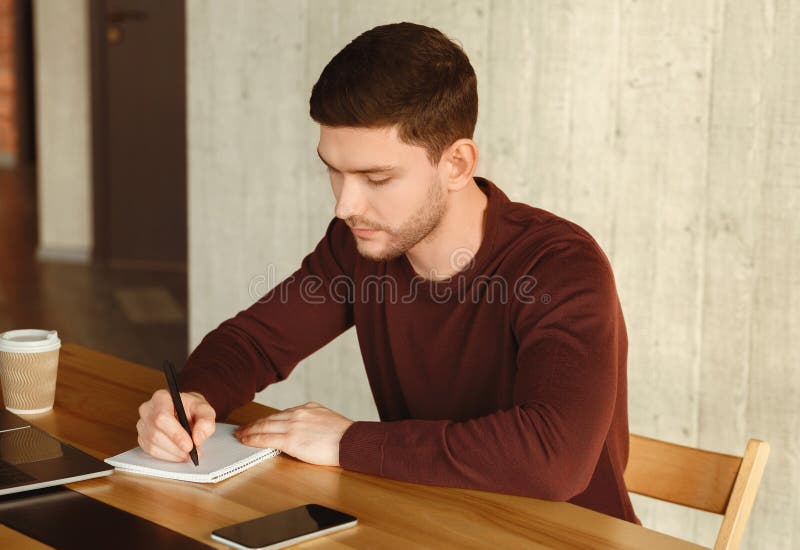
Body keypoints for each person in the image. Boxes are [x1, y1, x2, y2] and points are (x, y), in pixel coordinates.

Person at [136, 22, 638, 523]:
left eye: (376, 178)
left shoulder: (559, 266)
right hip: (429, 525)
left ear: (457, 164)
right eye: (334, 169)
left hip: (564, 537)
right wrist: (192, 399)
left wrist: (348, 442)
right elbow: (255, 344)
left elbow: (554, 459)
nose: (345, 205)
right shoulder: (361, 246)